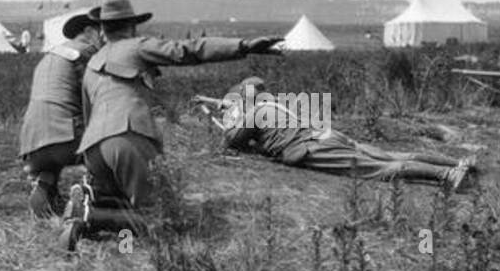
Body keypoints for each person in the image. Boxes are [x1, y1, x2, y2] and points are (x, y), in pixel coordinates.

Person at [58, 0, 283, 251]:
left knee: (118, 202)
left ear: (103, 29)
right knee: (156, 213)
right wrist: (244, 46)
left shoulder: (92, 63)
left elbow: (88, 115)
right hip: (127, 137)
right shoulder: (137, 46)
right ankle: (102, 229)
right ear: (131, 26)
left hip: (94, 148)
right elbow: (189, 50)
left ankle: (105, 236)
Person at [200, 77, 476, 191]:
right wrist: (219, 104)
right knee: (394, 154)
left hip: (312, 147)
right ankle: (457, 164)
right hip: (328, 135)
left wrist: (223, 117)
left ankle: (448, 176)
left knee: (381, 169)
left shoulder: (251, 113)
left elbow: (233, 140)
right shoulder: (273, 104)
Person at [18, 10, 101, 218]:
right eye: (103, 32)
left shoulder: (49, 57)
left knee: (50, 162)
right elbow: (99, 100)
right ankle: (90, 196)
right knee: (112, 146)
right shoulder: (88, 52)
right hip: (66, 136)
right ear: (90, 31)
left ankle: (44, 185)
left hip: (31, 142)